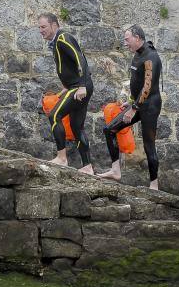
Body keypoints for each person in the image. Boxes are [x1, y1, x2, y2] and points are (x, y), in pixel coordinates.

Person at [99, 25, 162, 190]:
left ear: (137, 38)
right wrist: (132, 101)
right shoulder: (138, 54)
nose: (125, 43)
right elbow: (138, 82)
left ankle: (154, 185)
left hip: (150, 107)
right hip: (138, 103)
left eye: (127, 40)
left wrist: (134, 109)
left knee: (149, 145)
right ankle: (115, 171)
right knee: (109, 130)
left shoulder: (150, 57)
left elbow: (147, 87)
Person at [37, 12, 94, 174]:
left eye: (44, 27)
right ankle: (87, 167)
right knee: (77, 127)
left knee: (54, 115)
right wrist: (66, 86)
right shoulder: (56, 42)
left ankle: (62, 158)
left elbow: (80, 59)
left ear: (54, 25)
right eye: (39, 27)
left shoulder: (63, 38)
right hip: (75, 86)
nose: (41, 30)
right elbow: (68, 67)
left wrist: (81, 85)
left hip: (79, 87)